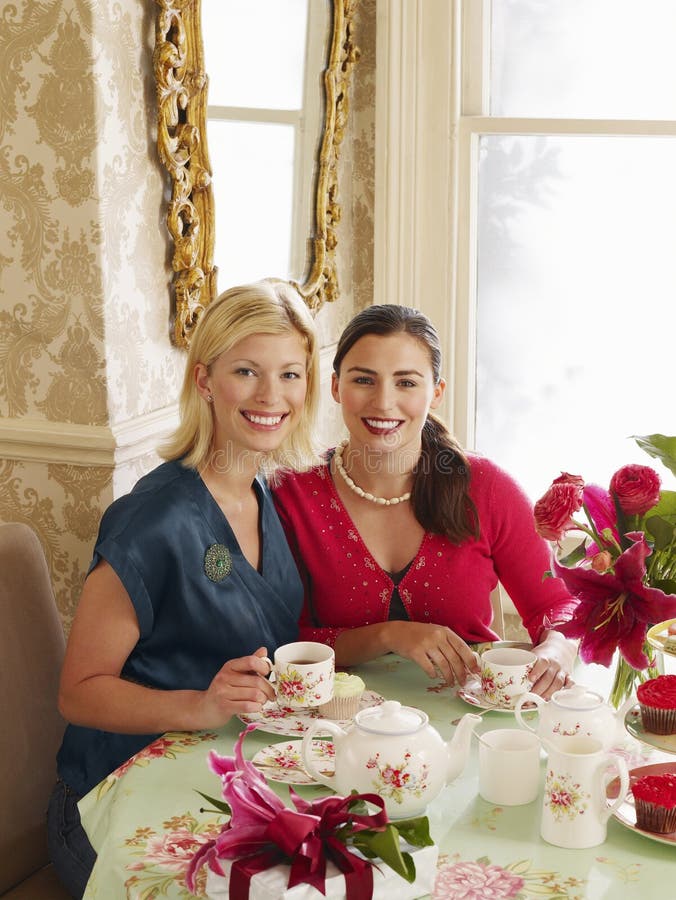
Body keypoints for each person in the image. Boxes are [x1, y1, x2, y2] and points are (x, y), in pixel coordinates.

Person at [48, 280, 320, 898]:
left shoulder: (267, 492)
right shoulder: (153, 520)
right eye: (246, 371)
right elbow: (78, 694)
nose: (270, 397)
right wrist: (200, 705)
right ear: (204, 380)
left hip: (217, 780)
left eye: (290, 375)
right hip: (108, 802)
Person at [273, 304, 578, 698]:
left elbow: (559, 605)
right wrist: (389, 635)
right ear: (336, 387)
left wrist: (556, 647)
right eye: (364, 380)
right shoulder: (293, 494)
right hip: (333, 725)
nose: (383, 402)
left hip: (471, 720)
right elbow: (286, 639)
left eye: (406, 383)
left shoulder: (487, 488)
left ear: (436, 393)